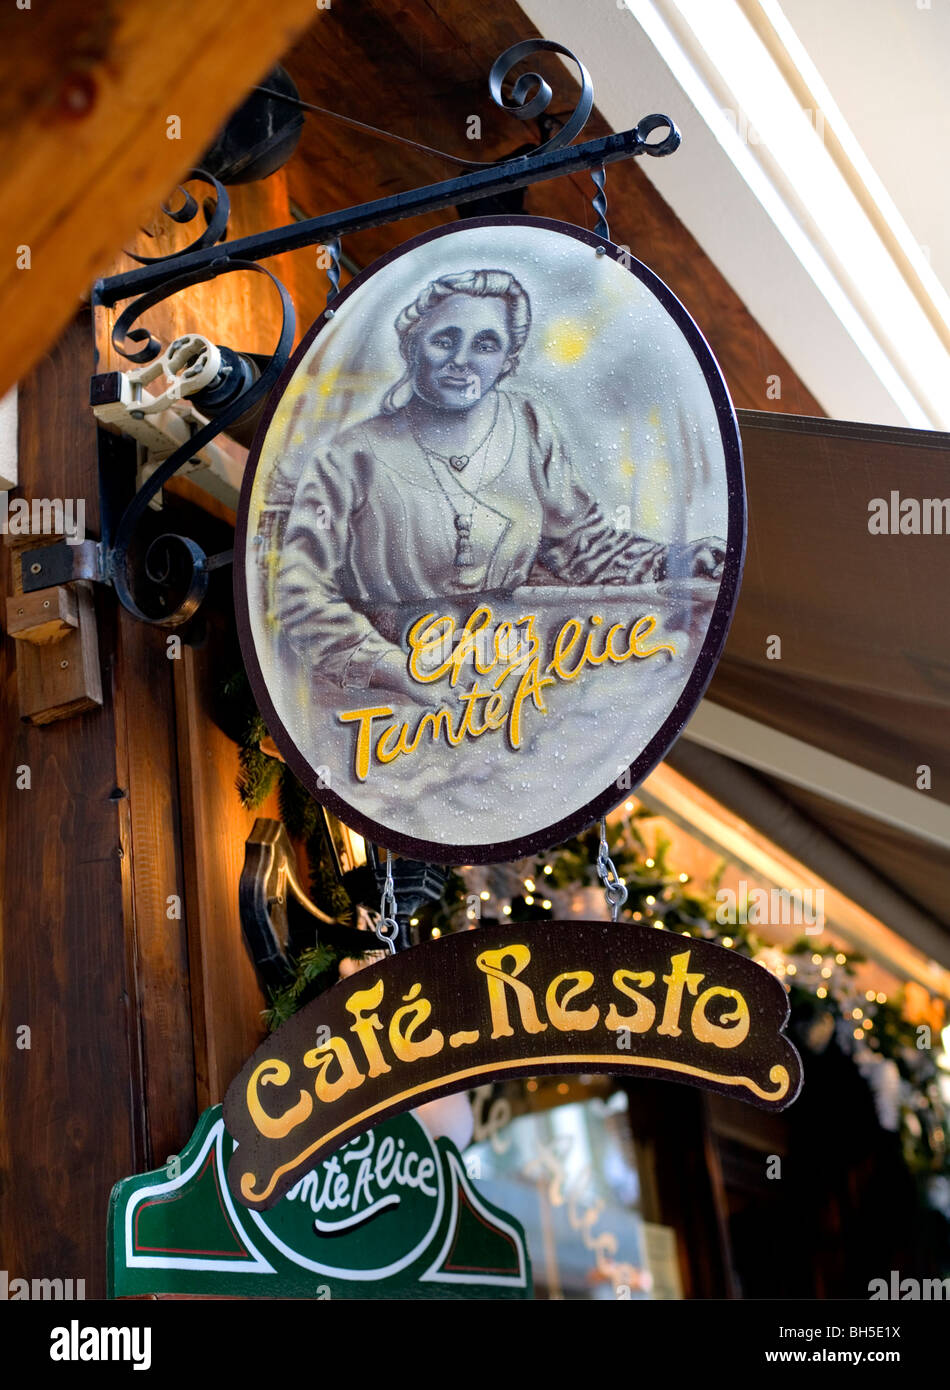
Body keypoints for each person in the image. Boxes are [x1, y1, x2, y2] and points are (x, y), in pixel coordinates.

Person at [274, 268, 724, 705]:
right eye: (444, 339)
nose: (461, 360)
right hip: (377, 705)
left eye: (485, 344)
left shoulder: (528, 426)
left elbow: (581, 545)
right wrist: (389, 667)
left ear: (508, 361)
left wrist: (674, 561)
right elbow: (299, 591)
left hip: (508, 683)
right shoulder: (350, 458)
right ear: (413, 345)